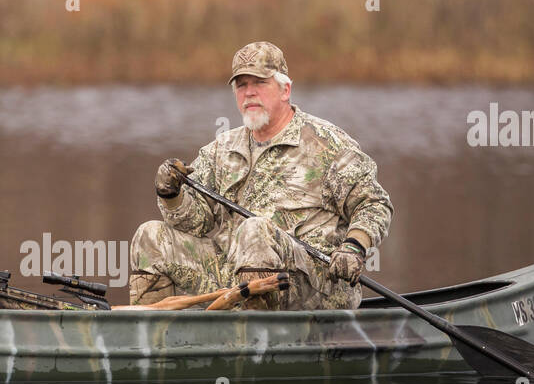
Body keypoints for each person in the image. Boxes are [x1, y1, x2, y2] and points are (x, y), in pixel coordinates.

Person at [129, 41, 393, 310]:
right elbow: (197, 224)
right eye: (241, 85)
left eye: (259, 83)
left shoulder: (326, 143)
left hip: (314, 286)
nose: (249, 93)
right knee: (150, 235)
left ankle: (257, 342)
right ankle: (151, 342)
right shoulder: (222, 148)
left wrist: (354, 247)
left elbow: (374, 203)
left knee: (256, 228)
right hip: (236, 278)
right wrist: (171, 195)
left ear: (285, 90)